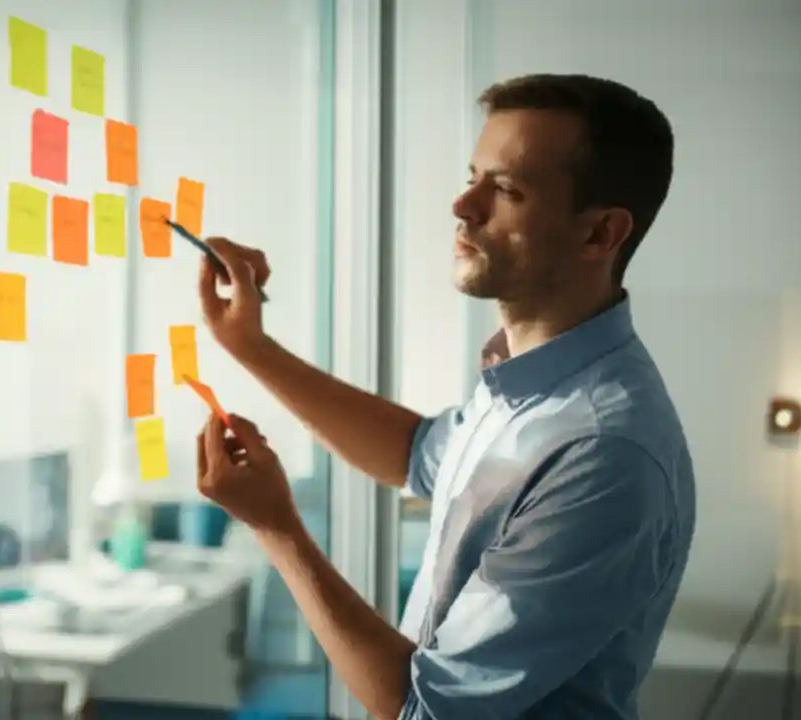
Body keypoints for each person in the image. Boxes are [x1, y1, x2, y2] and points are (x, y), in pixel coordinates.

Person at [194, 73, 695, 719]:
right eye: (473, 176)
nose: (464, 206)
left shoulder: (603, 451)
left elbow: (428, 711)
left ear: (599, 235)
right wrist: (251, 347)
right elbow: (418, 453)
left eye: (507, 189)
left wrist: (276, 527)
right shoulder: (533, 383)